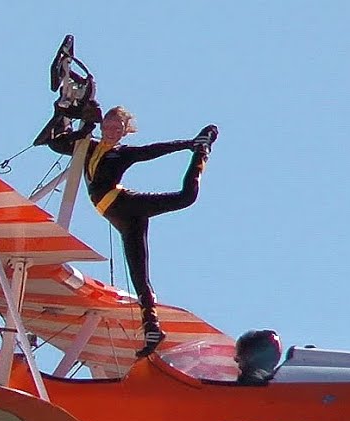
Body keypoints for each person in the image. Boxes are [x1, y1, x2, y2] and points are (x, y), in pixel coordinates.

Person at [39, 100, 217, 357]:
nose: (111, 130)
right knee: (139, 275)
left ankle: (202, 150)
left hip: (124, 204)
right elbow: (55, 142)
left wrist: (189, 145)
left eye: (117, 127)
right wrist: (75, 118)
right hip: (119, 217)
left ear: (124, 131)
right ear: (102, 126)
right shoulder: (86, 147)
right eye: (108, 125)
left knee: (186, 197)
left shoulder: (122, 153)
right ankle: (152, 327)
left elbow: (151, 151)